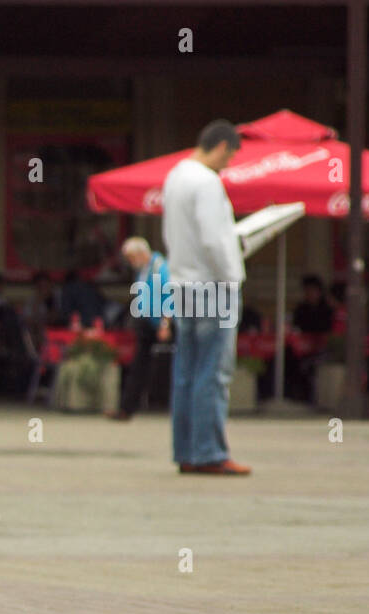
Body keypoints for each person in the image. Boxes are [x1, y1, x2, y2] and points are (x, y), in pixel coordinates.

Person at [162, 119, 250, 476]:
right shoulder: (207, 182)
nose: (227, 164)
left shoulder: (174, 177)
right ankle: (210, 452)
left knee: (186, 371)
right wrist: (232, 277)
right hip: (212, 285)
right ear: (221, 146)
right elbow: (214, 239)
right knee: (212, 372)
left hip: (182, 283)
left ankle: (186, 450)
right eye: (229, 156)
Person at [109, 237, 173, 421]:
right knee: (138, 365)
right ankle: (126, 408)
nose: (130, 262)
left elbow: (170, 296)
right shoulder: (143, 270)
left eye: (131, 257)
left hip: (162, 322)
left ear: (141, 253)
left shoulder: (160, 267)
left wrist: (165, 324)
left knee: (171, 362)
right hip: (147, 321)